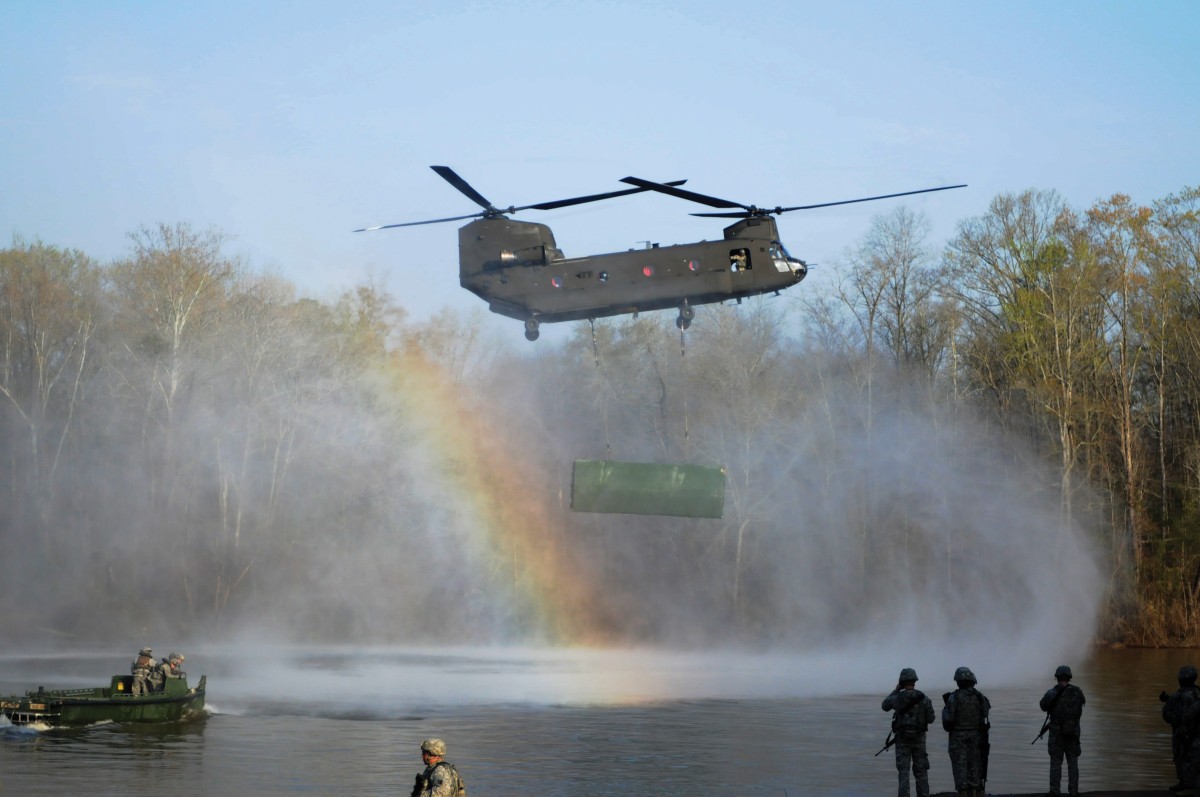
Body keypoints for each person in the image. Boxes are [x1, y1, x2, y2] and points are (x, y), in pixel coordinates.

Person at [882, 667, 936, 797]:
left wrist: (895, 690)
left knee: (903, 773)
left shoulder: (897, 697)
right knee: (921, 771)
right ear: (915, 681)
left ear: (901, 682)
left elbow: (884, 706)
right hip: (919, 740)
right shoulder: (924, 698)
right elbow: (931, 718)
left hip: (902, 741)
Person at [942, 666, 990, 797]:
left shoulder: (954, 697)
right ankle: (975, 791)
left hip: (958, 736)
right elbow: (985, 713)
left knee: (959, 765)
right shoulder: (980, 697)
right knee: (974, 763)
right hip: (976, 735)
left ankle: (963, 792)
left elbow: (948, 720)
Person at [1039, 664, 1086, 797]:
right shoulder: (1078, 692)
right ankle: (1074, 791)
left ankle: (1055, 791)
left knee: (1056, 763)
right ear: (1069, 677)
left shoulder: (1052, 693)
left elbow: (1042, 706)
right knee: (1073, 763)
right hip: (1073, 734)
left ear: (1057, 677)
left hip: (1056, 735)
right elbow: (1082, 705)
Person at [1162, 664, 1200, 791]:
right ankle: (1186, 784)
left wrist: (1173, 716)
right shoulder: (1198, 692)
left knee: (1183, 759)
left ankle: (1188, 785)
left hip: (1183, 735)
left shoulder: (1177, 696)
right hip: (1196, 735)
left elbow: (1167, 715)